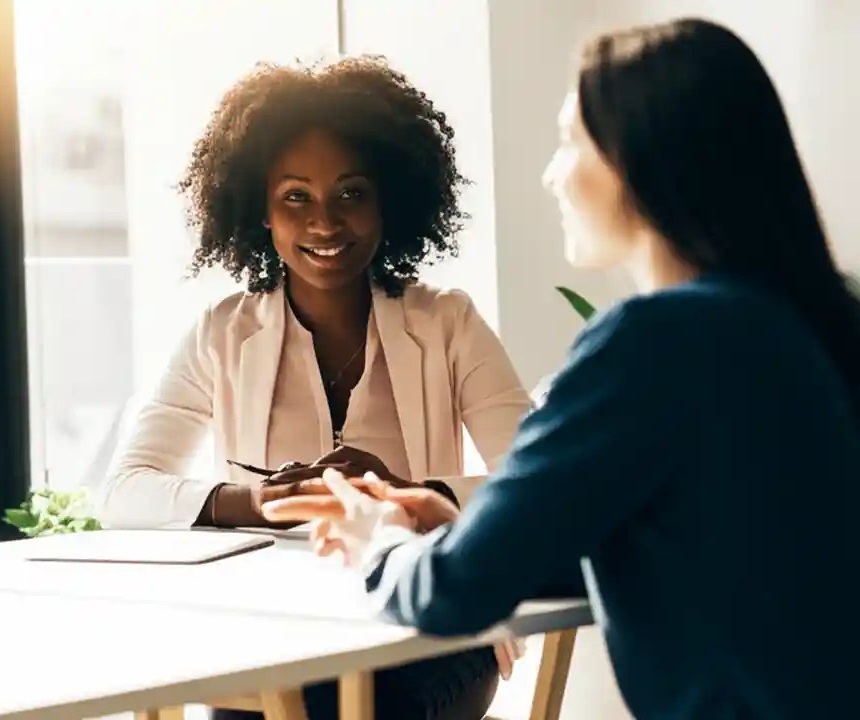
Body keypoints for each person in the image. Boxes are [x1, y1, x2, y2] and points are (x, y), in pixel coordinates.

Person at [264, 18, 860, 720]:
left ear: (640, 156)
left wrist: (376, 540)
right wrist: (454, 524)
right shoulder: (805, 323)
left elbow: (455, 593)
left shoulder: (654, 344)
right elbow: (696, 550)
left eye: (570, 141)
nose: (552, 174)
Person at [94, 57, 533, 719]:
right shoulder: (221, 335)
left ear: (389, 201)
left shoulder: (449, 324)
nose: (325, 223)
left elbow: (532, 479)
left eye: (351, 193)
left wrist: (407, 498)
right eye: (295, 197)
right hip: (272, 637)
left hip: (423, 635)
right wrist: (259, 501)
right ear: (259, 212)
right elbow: (124, 492)